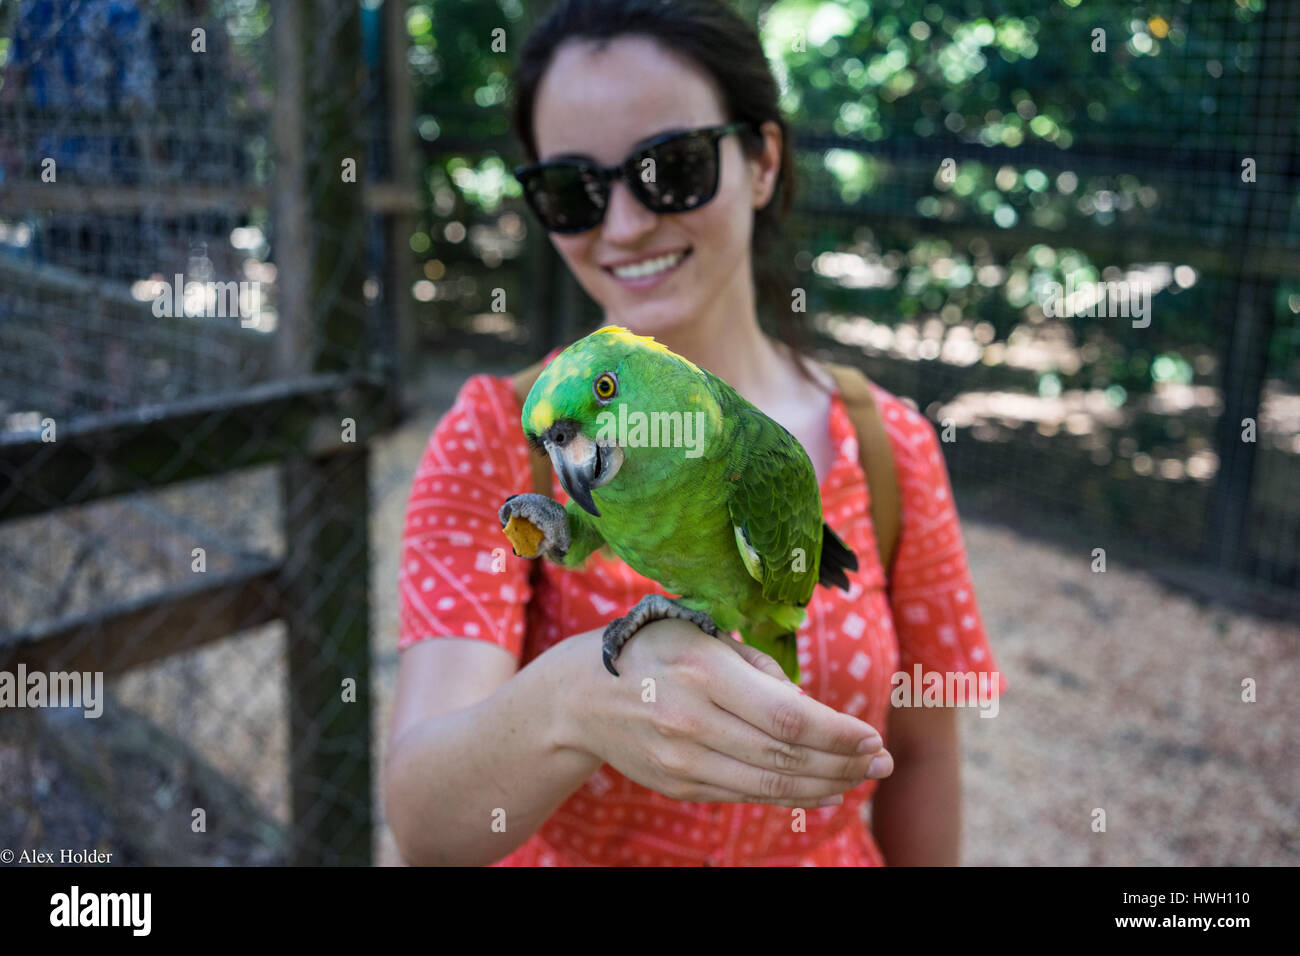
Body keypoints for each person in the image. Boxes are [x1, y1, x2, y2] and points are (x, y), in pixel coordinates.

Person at [384, 0, 1005, 866]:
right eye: (572, 190)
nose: (627, 224)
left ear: (761, 161)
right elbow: (424, 823)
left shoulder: (887, 447)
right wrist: (573, 703)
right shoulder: (501, 437)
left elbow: (926, 754)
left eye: (671, 167)